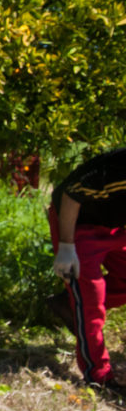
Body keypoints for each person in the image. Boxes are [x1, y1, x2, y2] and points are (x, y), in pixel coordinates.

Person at [45, 148, 126, 395]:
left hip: (116, 225)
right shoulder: (119, 171)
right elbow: (72, 195)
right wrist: (67, 247)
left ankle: (69, 305)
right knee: (90, 297)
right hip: (78, 221)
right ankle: (100, 379)